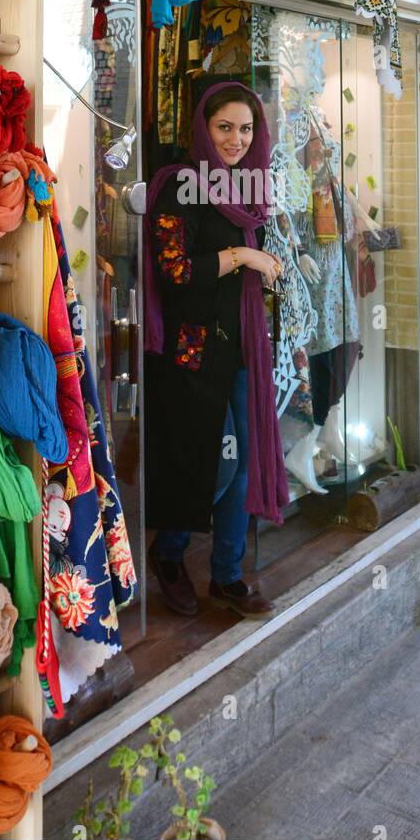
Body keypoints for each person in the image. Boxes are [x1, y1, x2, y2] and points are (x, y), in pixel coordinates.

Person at [143, 81, 290, 619]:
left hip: (242, 347)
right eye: (224, 127)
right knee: (208, 461)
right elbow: (177, 269)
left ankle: (228, 576)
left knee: (243, 462)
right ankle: (171, 552)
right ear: (203, 127)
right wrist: (244, 259)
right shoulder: (178, 185)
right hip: (192, 352)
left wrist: (263, 271)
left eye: (246, 129)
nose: (235, 139)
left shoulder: (247, 188)